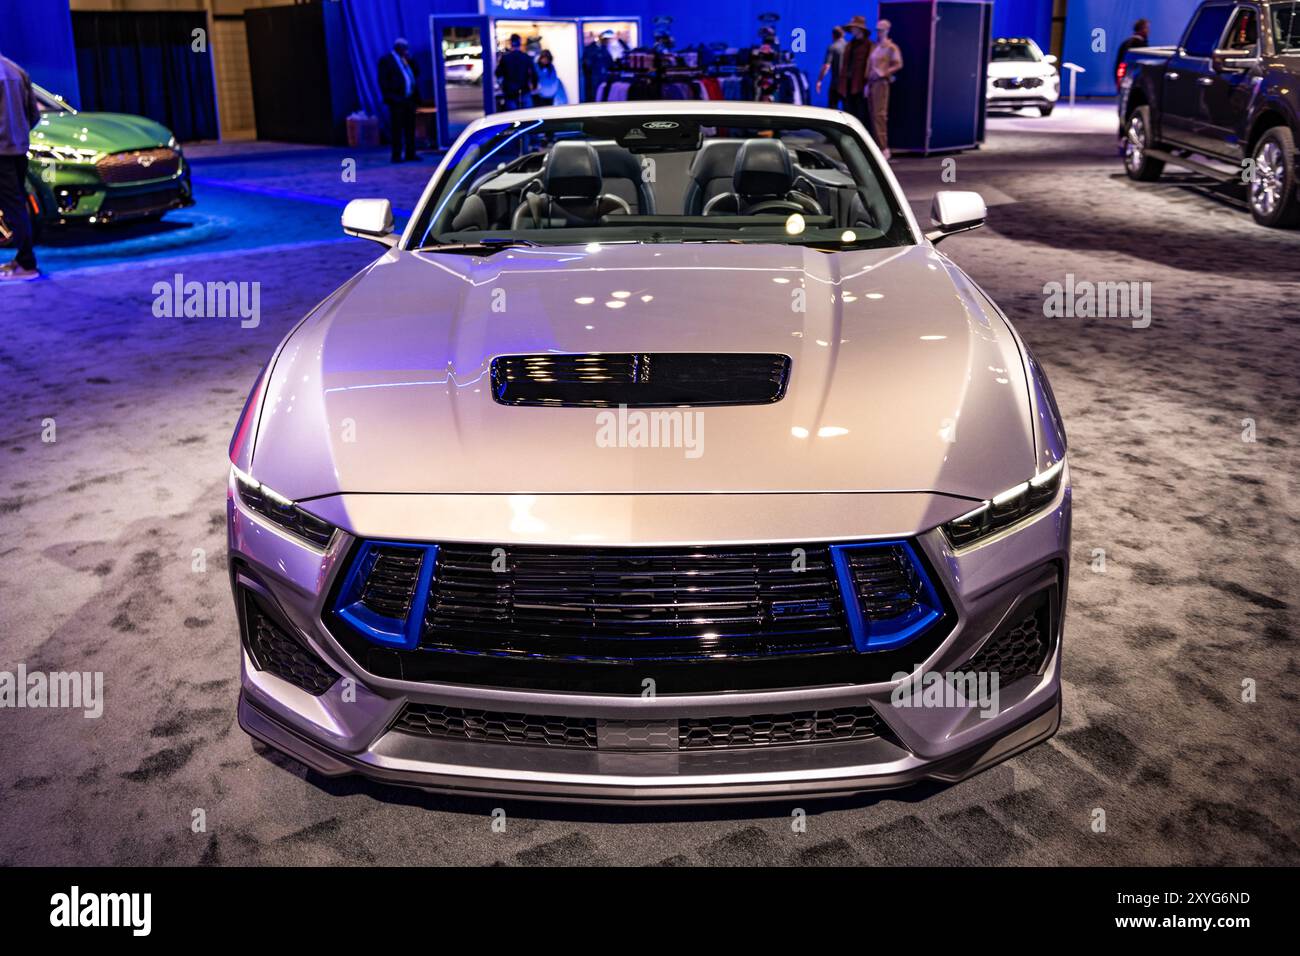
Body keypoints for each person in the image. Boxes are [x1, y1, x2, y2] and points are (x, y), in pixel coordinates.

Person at [0, 52, 40, 282]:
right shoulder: (16, 70)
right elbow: (33, 115)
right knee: (17, 204)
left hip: (1, 153)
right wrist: (19, 135)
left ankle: (27, 262)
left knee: (13, 207)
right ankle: (23, 259)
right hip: (18, 150)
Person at [866, 19, 903, 159]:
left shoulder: (891, 47)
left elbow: (898, 64)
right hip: (871, 83)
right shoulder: (875, 46)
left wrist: (884, 72)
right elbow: (869, 65)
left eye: (881, 30)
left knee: (879, 115)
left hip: (881, 83)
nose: (879, 32)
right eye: (878, 30)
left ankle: (884, 147)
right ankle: (877, 146)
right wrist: (866, 83)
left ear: (887, 30)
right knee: (872, 115)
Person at [378, 38, 418, 163]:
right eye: (404, 48)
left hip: (409, 99)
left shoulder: (406, 60)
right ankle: (396, 155)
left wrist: (410, 60)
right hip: (397, 101)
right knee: (397, 129)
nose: (406, 50)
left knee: (410, 128)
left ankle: (410, 154)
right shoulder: (387, 60)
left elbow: (416, 73)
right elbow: (383, 81)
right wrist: (392, 98)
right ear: (398, 48)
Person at [837, 16, 873, 130]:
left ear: (860, 29)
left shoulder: (869, 45)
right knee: (849, 112)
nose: (852, 29)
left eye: (854, 27)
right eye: (851, 27)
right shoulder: (850, 45)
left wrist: (867, 83)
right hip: (848, 83)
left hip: (860, 84)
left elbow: (869, 65)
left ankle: (861, 137)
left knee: (861, 113)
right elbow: (845, 65)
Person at [497, 34, 538, 111]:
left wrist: (501, 85)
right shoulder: (526, 57)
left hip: (509, 91)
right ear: (520, 43)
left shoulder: (505, 58)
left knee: (512, 116)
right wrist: (534, 87)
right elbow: (534, 74)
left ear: (511, 43)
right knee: (527, 116)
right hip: (524, 90)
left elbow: (498, 73)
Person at [816, 27, 847, 110]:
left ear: (833, 35)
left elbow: (826, 66)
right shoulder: (848, 47)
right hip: (846, 84)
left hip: (835, 84)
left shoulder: (833, 47)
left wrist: (819, 80)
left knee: (833, 109)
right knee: (848, 110)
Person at [1115, 18, 1151, 87]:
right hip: (1133, 83)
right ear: (1141, 29)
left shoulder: (1125, 43)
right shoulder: (1139, 44)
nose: (1149, 31)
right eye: (1147, 28)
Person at [582, 32, 614, 102]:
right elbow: (587, 66)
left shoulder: (603, 49)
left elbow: (610, 64)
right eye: (606, 39)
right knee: (596, 97)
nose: (608, 41)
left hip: (602, 78)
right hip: (595, 80)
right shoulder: (591, 49)